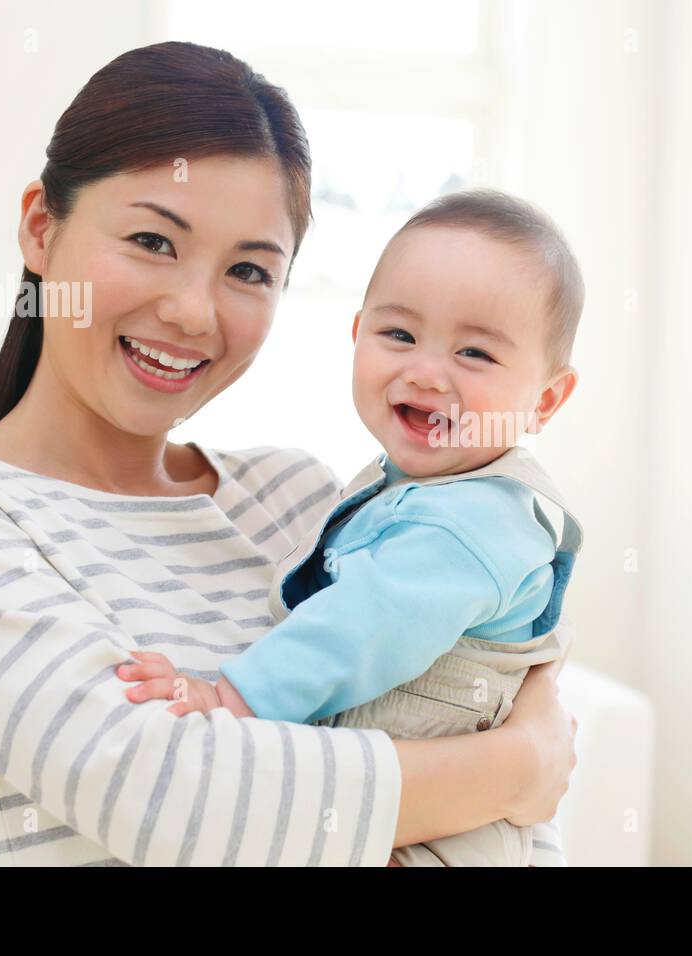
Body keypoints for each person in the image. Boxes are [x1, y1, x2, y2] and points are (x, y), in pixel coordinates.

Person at [0, 41, 576, 867]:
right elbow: (164, 797)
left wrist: (509, 777)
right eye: (154, 242)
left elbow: (509, 791)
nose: (193, 312)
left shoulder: (303, 499)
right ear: (42, 230)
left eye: (249, 270)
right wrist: (516, 769)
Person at [118, 189, 584, 866]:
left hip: (438, 845)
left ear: (544, 398)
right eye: (399, 335)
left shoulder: (476, 522)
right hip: (399, 814)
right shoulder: (406, 486)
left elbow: (363, 626)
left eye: (475, 354)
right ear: (358, 331)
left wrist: (227, 698)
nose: (426, 372)